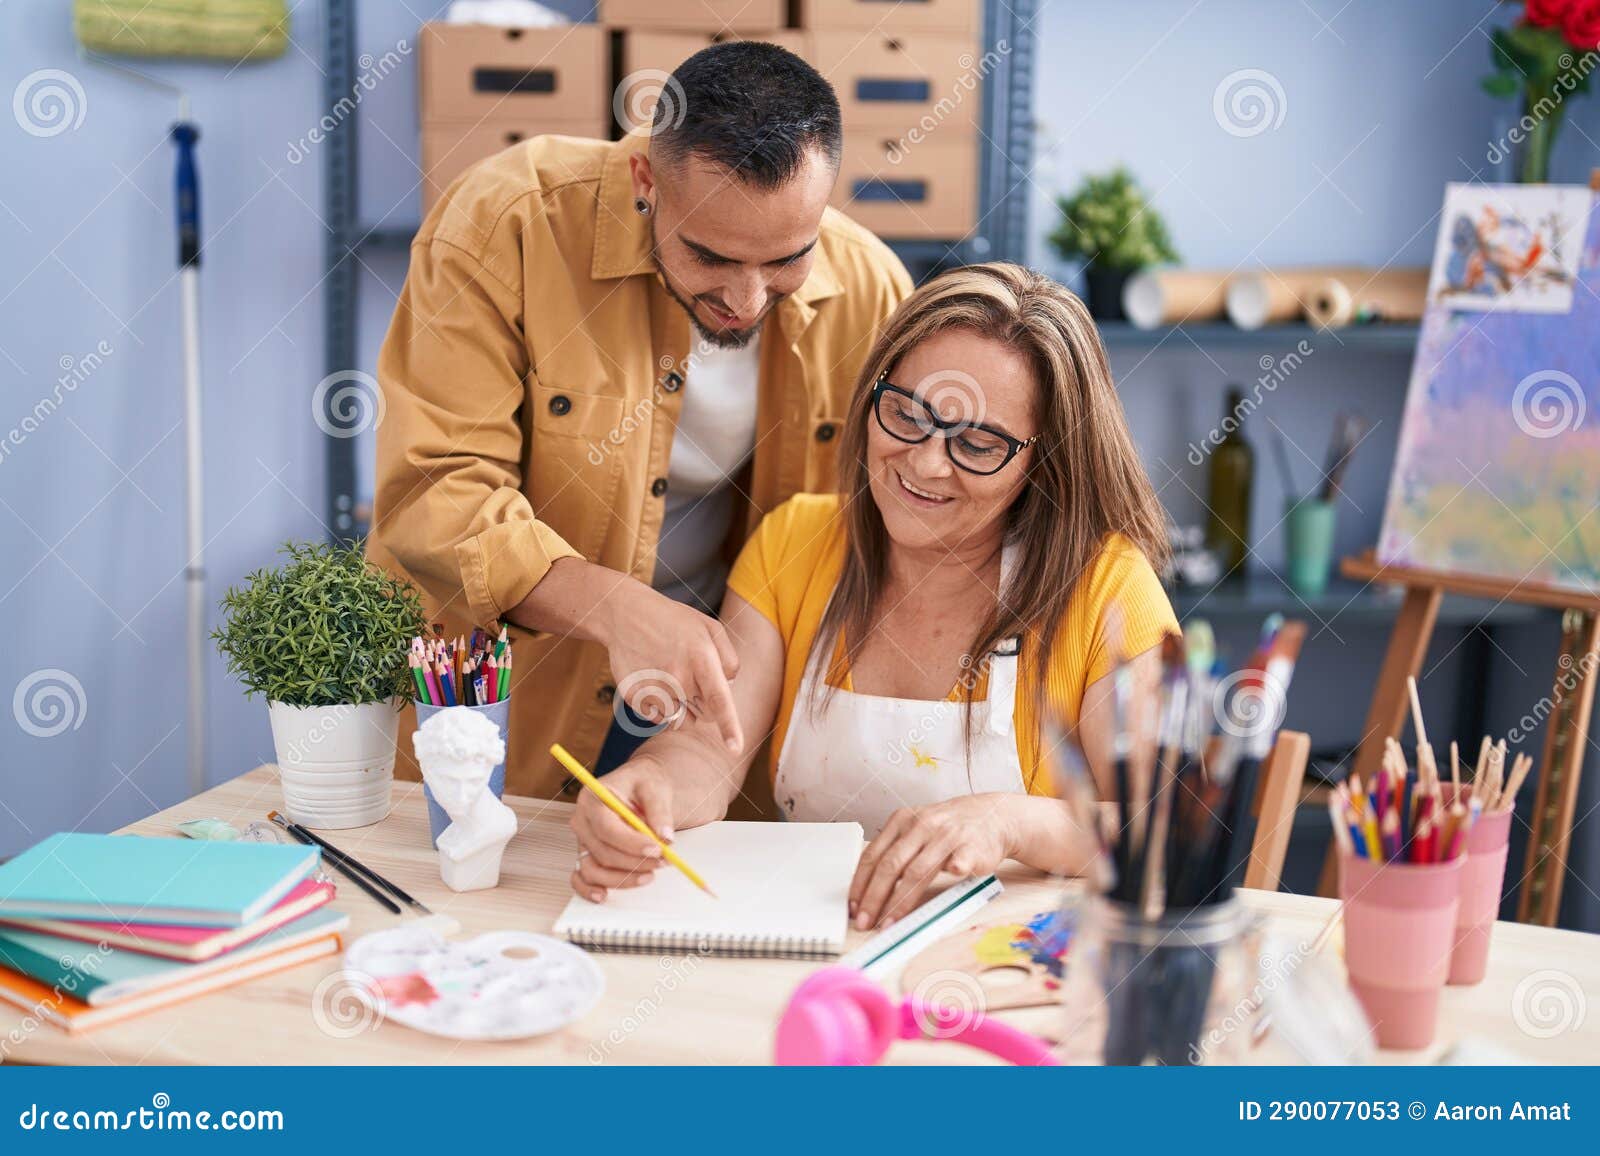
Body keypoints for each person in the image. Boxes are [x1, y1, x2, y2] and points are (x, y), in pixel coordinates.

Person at [368, 43, 912, 796]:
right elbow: (435, 486)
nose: (748, 300)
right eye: (711, 256)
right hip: (511, 692)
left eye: (787, 259)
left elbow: (879, 527)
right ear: (645, 181)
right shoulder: (506, 221)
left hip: (717, 703)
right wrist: (616, 609)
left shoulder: (873, 289)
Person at [570, 263, 1179, 928]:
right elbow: (711, 750)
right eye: (905, 414)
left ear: (1045, 461)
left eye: (979, 445)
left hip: (996, 963)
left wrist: (1008, 822)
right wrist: (652, 784)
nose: (925, 463)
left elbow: (1162, 832)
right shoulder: (793, 543)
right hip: (814, 950)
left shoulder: (1108, 588)